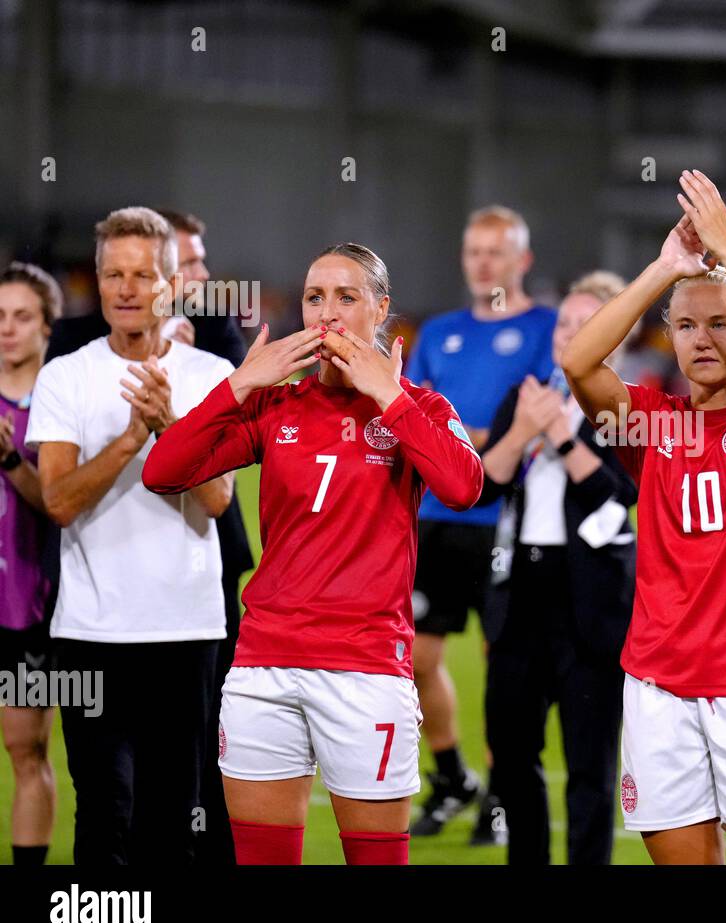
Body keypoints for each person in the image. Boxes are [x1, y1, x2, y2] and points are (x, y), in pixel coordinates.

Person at [143, 243, 484, 865]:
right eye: (314, 297)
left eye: (347, 297)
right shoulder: (275, 406)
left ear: (381, 310)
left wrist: (390, 396)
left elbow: (463, 488)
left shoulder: (421, 408)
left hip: (367, 671)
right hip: (262, 670)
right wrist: (241, 381)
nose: (326, 313)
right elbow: (164, 472)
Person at [562, 170, 726, 865]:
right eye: (684, 325)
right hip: (659, 691)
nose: (700, 339)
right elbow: (579, 360)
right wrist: (666, 267)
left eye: (721, 323)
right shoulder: (649, 426)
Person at [45, 206, 256, 866]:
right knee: (102, 806)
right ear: (100, 281)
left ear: (171, 284)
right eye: (113, 274)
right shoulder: (66, 374)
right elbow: (57, 500)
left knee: (173, 809)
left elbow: (219, 498)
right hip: (89, 630)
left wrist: (171, 427)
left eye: (143, 274)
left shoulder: (210, 377)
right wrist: (129, 442)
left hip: (185, 630)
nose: (127, 289)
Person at [403, 205, 556, 841]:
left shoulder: (549, 328)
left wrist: (457, 434)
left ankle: (501, 791)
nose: (483, 263)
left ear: (521, 261)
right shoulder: (438, 332)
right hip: (436, 514)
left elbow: (542, 420)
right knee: (414, 655)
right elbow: (409, 421)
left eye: (496, 252)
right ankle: (451, 776)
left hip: (507, 519)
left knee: (504, 663)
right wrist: (490, 436)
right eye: (474, 252)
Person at [478, 271, 636, 865]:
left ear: (615, 335)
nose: (570, 334)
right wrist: (524, 429)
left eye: (586, 323)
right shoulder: (525, 396)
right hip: (521, 593)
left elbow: (619, 497)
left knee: (590, 765)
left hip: (591, 599)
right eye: (564, 322)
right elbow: (485, 484)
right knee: (513, 754)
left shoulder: (626, 408)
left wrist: (564, 440)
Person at [0, 263, 62, 865]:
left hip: (30, 604)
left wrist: (11, 458)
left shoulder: (59, 401)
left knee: (26, 750)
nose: (7, 329)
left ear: (48, 324)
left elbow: (61, 505)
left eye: (22, 316)